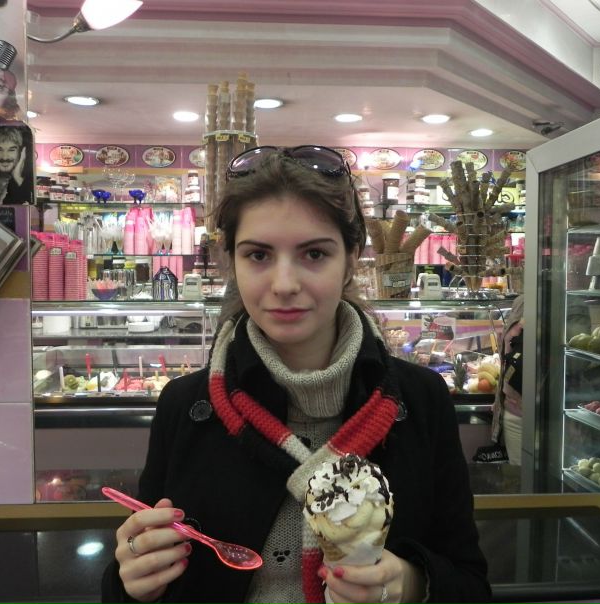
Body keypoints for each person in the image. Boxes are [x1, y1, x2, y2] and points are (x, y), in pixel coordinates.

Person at [101, 145, 490, 604]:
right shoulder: (185, 404)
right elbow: (138, 577)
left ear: (351, 258)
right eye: (258, 255)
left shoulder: (420, 398)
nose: (284, 285)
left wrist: (409, 583)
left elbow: (470, 584)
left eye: (314, 254)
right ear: (232, 261)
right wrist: (134, 582)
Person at [491, 295, 524, 466]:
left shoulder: (566, 304)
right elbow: (507, 358)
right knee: (518, 475)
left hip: (551, 417)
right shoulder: (520, 302)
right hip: (514, 414)